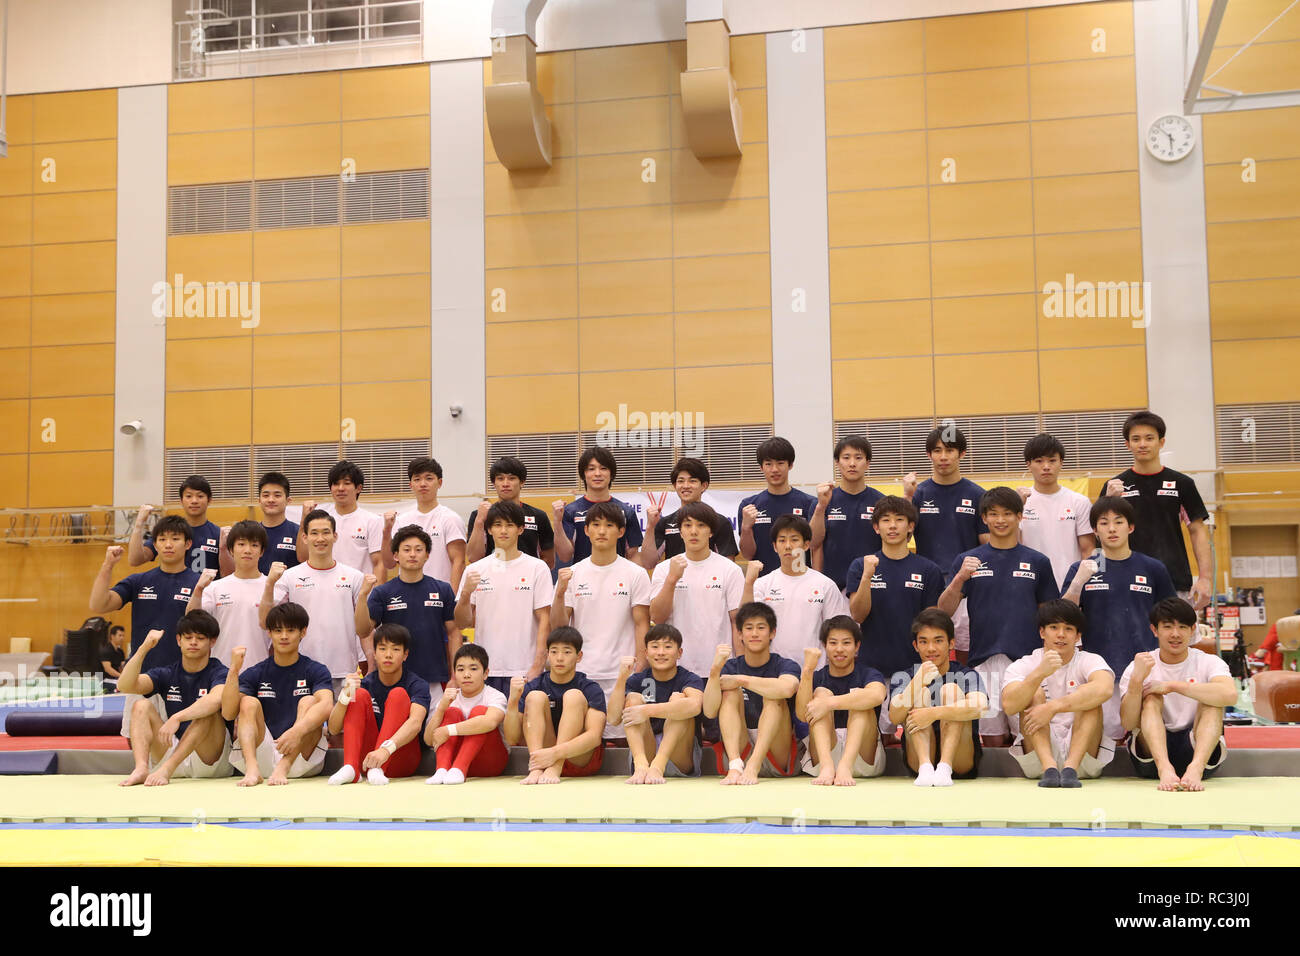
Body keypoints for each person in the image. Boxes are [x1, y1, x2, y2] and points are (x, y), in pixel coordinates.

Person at [938, 486, 1059, 745]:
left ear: (1019, 516)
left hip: (1026, 662)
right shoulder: (968, 559)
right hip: (983, 659)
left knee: (1028, 737)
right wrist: (959, 577)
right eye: (993, 514)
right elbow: (944, 611)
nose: (1000, 520)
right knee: (992, 738)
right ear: (984, 518)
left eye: (1007, 513)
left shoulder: (1038, 561)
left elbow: (1050, 616)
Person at [1061, 496, 1175, 739]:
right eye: (1103, 523)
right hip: (1099, 669)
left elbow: (1170, 618)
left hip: (1145, 667)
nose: (1111, 529)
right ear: (1094, 530)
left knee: (1145, 736)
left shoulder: (1153, 568)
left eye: (1118, 522)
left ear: (1130, 527)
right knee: (1106, 740)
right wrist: (1078, 583)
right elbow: (1064, 618)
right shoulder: (1082, 568)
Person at [552, 501, 651, 738]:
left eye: (609, 525)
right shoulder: (572, 574)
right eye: (595, 525)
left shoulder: (635, 573)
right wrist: (559, 592)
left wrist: (639, 667)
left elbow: (641, 623)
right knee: (587, 740)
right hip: (584, 673)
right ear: (586, 531)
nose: (602, 531)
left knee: (625, 742)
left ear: (621, 532)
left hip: (623, 671)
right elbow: (558, 626)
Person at [1120, 598, 1235, 791]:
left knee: (1212, 700)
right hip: (1151, 756)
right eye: (1167, 627)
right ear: (1155, 630)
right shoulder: (1139, 665)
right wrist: (1135, 684)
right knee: (1151, 698)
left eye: (1182, 627)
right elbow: (1128, 724)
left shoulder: (1209, 662)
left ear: (1192, 630)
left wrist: (1172, 685)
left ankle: (1195, 769)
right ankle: (1165, 768)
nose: (1175, 634)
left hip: (1198, 749)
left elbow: (1230, 695)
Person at [1104, 411, 1212, 608]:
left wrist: (1205, 578)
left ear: (1161, 442)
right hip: (1125, 581)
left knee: (1174, 638)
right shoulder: (1114, 486)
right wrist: (1110, 501)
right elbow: (1100, 535)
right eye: (1136, 439)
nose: (1142, 444)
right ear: (1128, 444)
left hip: (1173, 580)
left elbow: (1197, 531)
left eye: (1149, 438)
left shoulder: (1183, 484)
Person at [1001, 600, 1115, 788]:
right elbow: (1009, 705)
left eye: (1068, 629)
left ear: (1078, 636)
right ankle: (1050, 768)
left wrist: (1052, 706)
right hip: (1038, 759)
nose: (1061, 635)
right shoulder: (1025, 664)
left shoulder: (1090, 659)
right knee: (1032, 692)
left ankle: (1070, 768)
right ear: (1042, 632)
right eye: (1054, 627)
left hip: (1083, 760)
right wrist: (1039, 674)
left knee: (1088, 694)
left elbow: (1105, 689)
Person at [222, 602, 333, 786]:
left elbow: (326, 705)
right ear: (269, 633)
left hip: (300, 757)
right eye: (278, 630)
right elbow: (227, 712)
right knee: (248, 702)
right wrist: (234, 669)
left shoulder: (316, 670)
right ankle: (251, 769)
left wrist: (296, 732)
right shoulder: (257, 672)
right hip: (263, 755)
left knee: (309, 701)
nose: (283, 636)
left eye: (290, 630)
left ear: (303, 632)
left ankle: (284, 766)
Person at [264, 509, 369, 699]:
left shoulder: (355, 577)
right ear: (304, 537)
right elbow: (266, 620)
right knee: (306, 724)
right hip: (301, 671)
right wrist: (270, 583)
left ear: (335, 536)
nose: (320, 538)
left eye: (326, 532)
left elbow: (365, 630)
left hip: (346, 672)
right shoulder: (288, 577)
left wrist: (370, 662)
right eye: (314, 533)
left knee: (343, 728)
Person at [116, 612, 230, 787]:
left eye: (200, 638)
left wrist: (177, 717)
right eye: (188, 637)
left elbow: (215, 700)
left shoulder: (219, 671)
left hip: (208, 760)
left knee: (208, 712)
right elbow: (126, 686)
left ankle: (167, 769)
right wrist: (144, 648)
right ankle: (141, 768)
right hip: (173, 751)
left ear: (212, 642)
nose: (193, 642)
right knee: (141, 705)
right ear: (179, 640)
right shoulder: (167, 673)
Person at [904, 426, 989, 656]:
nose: (943, 456)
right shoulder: (918, 494)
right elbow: (901, 538)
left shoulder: (977, 494)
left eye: (950, 450)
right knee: (928, 650)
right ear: (928, 455)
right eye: (937, 450)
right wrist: (907, 498)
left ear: (961, 454)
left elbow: (987, 543)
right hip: (927, 584)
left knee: (963, 649)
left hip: (966, 586)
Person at [845, 496, 945, 688]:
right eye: (886, 520)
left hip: (915, 669)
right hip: (872, 669)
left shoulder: (928, 569)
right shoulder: (860, 566)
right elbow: (857, 614)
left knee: (914, 719)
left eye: (899, 519)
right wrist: (867, 577)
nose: (892, 526)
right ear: (876, 527)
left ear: (910, 526)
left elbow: (932, 624)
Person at [456, 501, 554, 694]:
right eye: (498, 525)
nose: (503, 531)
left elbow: (545, 619)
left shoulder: (537, 568)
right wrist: (466, 594)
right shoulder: (475, 569)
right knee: (487, 724)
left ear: (520, 529)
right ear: (489, 530)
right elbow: (462, 622)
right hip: (485, 669)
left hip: (524, 668)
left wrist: (538, 664)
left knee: (521, 722)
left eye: (509, 525)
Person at [702, 602, 801, 785]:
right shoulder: (730, 666)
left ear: (772, 633)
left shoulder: (786, 665)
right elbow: (708, 711)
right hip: (741, 745)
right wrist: (715, 671)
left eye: (761, 628)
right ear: (739, 634)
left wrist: (741, 680)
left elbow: (787, 689)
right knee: (729, 694)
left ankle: (754, 765)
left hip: (776, 749)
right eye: (749, 628)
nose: (754, 633)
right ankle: (735, 765)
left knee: (774, 695)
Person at [888, 608, 987, 786]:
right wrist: (917, 682)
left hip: (960, 760)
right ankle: (926, 767)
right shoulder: (906, 676)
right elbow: (894, 717)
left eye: (938, 641)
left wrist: (933, 713)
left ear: (951, 644)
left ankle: (944, 767)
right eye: (924, 642)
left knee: (951, 690)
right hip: (918, 760)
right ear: (916, 646)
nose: (931, 648)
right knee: (919, 692)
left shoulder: (965, 674)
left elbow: (980, 706)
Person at [357, 524, 461, 695]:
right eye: (407, 549)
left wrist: (454, 676)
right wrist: (361, 597)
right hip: (393, 678)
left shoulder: (443, 589)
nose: (413, 554)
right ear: (396, 555)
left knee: (434, 722)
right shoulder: (382, 592)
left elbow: (454, 633)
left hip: (434, 678)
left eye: (418, 549)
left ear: (427, 555)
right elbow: (363, 630)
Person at [90, 516, 201, 673]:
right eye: (162, 539)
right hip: (140, 675)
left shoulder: (201, 584)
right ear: (155, 545)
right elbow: (99, 605)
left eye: (175, 539)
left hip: (184, 676)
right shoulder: (138, 581)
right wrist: (108, 565)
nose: (168, 545)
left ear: (188, 544)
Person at [648, 501, 744, 679]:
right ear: (680, 531)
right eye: (687, 525)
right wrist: (672, 579)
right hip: (676, 668)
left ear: (711, 532)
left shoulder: (729, 569)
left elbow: (736, 622)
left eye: (701, 525)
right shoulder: (664, 569)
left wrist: (740, 665)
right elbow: (656, 617)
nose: (693, 531)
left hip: (719, 667)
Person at [326, 623, 430, 786]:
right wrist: (344, 697)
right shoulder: (365, 683)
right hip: (367, 761)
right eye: (382, 649)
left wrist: (385, 750)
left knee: (398, 694)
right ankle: (350, 767)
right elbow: (333, 729)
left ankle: (378, 766)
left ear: (405, 655)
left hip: (400, 758)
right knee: (358, 693)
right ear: (374, 653)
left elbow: (415, 723)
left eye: (395, 649)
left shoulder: (417, 684)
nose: (388, 655)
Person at [504, 627, 608, 784]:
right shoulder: (534, 686)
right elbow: (511, 739)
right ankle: (536, 768)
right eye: (554, 652)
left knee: (573, 696)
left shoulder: (590, 688)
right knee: (535, 697)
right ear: (547, 655)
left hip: (578, 758)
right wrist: (512, 701)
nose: (559, 658)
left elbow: (594, 737)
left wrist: (555, 754)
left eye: (567, 652)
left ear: (579, 656)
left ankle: (555, 767)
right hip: (543, 759)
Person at [744, 515, 850, 665]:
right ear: (775, 546)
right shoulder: (762, 585)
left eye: (794, 540)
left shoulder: (825, 585)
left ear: (806, 545)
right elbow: (747, 626)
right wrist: (748, 583)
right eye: (782, 540)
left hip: (816, 672)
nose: (788, 546)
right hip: (774, 674)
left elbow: (837, 631)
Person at [607, 624, 706, 783]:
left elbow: (695, 705)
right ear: (646, 653)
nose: (660, 652)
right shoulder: (638, 680)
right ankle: (640, 766)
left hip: (679, 757)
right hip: (647, 753)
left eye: (667, 647)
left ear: (679, 653)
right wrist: (621, 678)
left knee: (679, 701)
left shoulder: (689, 678)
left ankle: (658, 766)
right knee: (632, 699)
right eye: (655, 646)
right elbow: (612, 718)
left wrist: (647, 710)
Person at [794, 616, 887, 786]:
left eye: (846, 643)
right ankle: (828, 767)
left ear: (857, 646)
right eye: (833, 643)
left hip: (863, 755)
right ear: (824, 645)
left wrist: (829, 704)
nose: (839, 649)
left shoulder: (868, 674)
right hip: (825, 752)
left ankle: (845, 766)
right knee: (821, 692)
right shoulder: (817, 676)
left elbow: (877, 695)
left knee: (860, 699)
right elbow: (801, 715)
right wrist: (807, 671)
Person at [1016, 433, 1095, 590]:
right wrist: (1016, 508)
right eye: (1039, 461)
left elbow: (1089, 551)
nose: (1046, 466)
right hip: (1029, 587)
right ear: (1028, 464)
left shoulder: (1079, 502)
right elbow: (1012, 546)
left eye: (1052, 460)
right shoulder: (1018, 502)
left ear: (1061, 463)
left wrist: (1079, 588)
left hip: (1070, 587)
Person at [423, 644, 511, 784]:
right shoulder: (449, 698)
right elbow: (429, 740)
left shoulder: (495, 695)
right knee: (452, 712)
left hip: (489, 761)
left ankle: (459, 768)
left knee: (480, 712)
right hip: (452, 764)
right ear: (455, 673)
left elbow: (489, 722)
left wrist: (449, 730)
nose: (466, 674)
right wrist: (441, 708)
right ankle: (441, 770)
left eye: (473, 668)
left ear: (486, 673)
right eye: (460, 669)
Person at [809, 436, 885, 591]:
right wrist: (821, 507)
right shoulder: (823, 501)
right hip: (832, 586)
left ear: (868, 463)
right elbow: (813, 542)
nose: (852, 463)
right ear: (837, 462)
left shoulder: (881, 502)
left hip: (873, 584)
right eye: (846, 457)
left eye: (858, 458)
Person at [190, 520, 268, 669]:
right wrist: (198, 589)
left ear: (262, 551)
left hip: (261, 673)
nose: (247, 550)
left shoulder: (273, 587)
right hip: (220, 672)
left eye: (254, 545)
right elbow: (193, 621)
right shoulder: (214, 587)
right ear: (231, 549)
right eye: (241, 544)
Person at [553, 446, 645, 569]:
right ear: (584, 474)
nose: (597, 473)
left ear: (611, 473)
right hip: (582, 581)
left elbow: (633, 555)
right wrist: (557, 522)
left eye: (603, 468)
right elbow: (565, 556)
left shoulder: (626, 512)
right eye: (591, 469)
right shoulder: (570, 511)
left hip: (617, 581)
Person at [384, 456, 467, 592]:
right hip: (406, 595)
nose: (423, 484)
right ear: (411, 484)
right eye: (417, 479)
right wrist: (386, 531)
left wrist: (452, 600)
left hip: (439, 597)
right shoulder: (401, 520)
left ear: (439, 483)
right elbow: (389, 563)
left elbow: (458, 562)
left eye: (429, 478)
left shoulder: (450, 518)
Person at [738, 436, 816, 576]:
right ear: (761, 467)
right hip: (763, 582)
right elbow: (748, 555)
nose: (774, 469)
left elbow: (815, 548)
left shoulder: (809, 503)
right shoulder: (749, 506)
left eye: (780, 463)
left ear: (790, 465)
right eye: (768, 464)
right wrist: (746, 527)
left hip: (800, 580)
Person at [297, 460, 384, 580]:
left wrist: (374, 597)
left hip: (360, 592)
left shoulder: (372, 521)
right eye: (336, 484)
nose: (341, 488)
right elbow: (302, 558)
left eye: (347, 483)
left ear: (359, 488)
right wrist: (304, 521)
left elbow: (379, 563)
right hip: (324, 589)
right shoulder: (320, 520)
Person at [466, 456, 556, 567]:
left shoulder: (538, 516)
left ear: (522, 482)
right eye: (500, 478)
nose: (505, 483)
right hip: (492, 579)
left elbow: (549, 561)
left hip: (526, 580)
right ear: (494, 483)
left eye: (511, 478)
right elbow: (473, 558)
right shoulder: (478, 515)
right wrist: (480, 521)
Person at [127, 475, 224, 575]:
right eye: (188, 496)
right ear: (181, 501)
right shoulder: (167, 531)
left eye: (200, 496)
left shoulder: (219, 534)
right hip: (173, 589)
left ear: (209, 500)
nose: (194, 501)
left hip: (208, 590)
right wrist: (139, 524)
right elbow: (135, 560)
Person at [650, 458, 738, 562]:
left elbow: (728, 565)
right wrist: (649, 527)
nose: (686, 486)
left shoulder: (720, 522)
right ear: (675, 486)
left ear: (704, 486)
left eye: (692, 481)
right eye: (681, 481)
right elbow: (648, 563)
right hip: (676, 577)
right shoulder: (664, 523)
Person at [256, 471, 300, 574]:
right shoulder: (251, 533)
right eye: (266, 495)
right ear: (259, 500)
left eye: (277, 495)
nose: (271, 500)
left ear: (288, 500)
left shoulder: (298, 533)